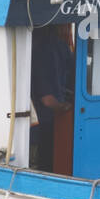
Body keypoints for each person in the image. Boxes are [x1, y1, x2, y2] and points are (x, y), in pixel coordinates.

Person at [30, 26, 73, 170]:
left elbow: (47, 99)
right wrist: (64, 107)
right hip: (49, 122)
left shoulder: (34, 49)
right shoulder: (61, 47)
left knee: (40, 166)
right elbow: (48, 100)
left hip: (38, 126)